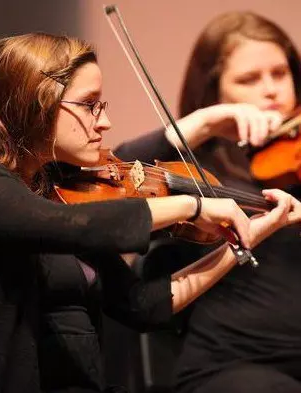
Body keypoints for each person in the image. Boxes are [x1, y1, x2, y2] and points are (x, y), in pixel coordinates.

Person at [0, 32, 295, 393]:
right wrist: (191, 205)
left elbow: (143, 304)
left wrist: (246, 236)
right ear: (38, 101)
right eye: (90, 105)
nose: (104, 122)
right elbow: (70, 228)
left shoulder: (54, 191)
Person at [115, 11, 301, 393]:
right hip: (234, 368)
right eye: (249, 79)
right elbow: (122, 175)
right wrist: (207, 122)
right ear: (215, 92)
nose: (271, 90)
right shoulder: (199, 170)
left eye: (280, 74)